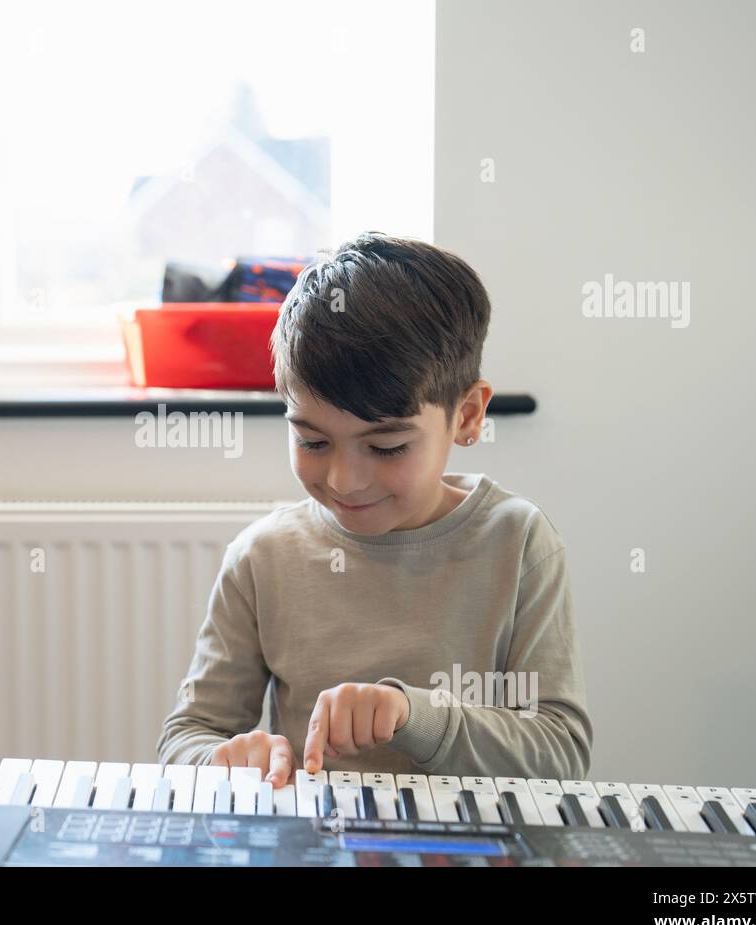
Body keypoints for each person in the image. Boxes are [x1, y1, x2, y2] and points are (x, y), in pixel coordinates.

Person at [156, 231, 592, 788]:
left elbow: (560, 752)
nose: (344, 479)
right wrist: (224, 759)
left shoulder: (519, 543)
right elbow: (188, 736)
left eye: (387, 448)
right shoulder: (263, 558)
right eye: (313, 442)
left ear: (467, 415)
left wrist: (414, 717)